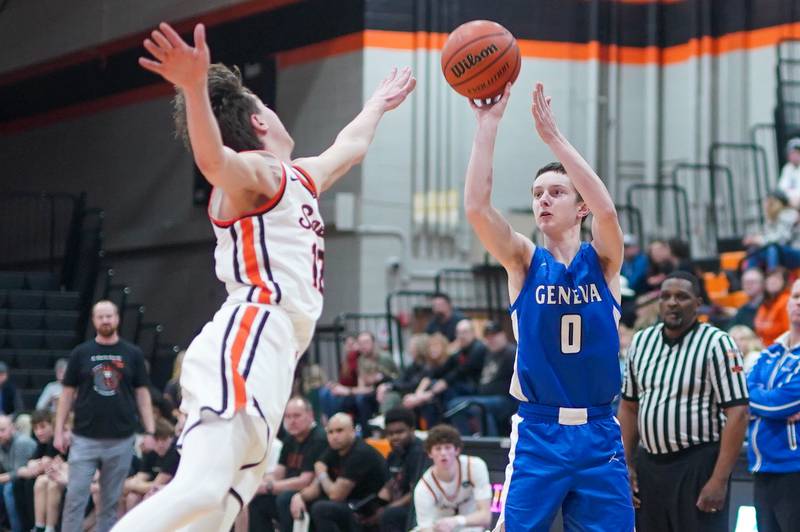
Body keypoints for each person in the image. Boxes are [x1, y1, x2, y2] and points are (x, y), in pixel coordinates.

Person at [112, 22, 414, 532]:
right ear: (258, 121)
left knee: (217, 508)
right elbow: (212, 160)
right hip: (250, 329)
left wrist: (378, 105)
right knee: (202, 490)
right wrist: (192, 87)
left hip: (277, 352)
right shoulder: (256, 173)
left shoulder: (299, 176)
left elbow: (351, 146)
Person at [463, 80, 634, 530]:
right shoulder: (523, 260)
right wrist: (488, 125)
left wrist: (555, 139)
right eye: (538, 193)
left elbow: (609, 215)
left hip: (600, 430)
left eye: (556, 192)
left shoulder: (603, 262)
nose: (543, 199)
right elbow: (478, 209)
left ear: (580, 208)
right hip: (540, 431)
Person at [619, 271, 749, 532]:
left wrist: (719, 479)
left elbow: (738, 413)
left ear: (698, 303)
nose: (672, 303)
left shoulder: (718, 343)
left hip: (698, 464)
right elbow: (629, 407)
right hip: (650, 466)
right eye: (666, 296)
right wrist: (628, 464)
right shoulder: (642, 342)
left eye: (682, 297)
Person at [52, 300, 153, 532]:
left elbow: (143, 394)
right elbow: (67, 395)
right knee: (75, 498)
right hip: (84, 438)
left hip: (121, 439)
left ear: (117, 318)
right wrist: (59, 431)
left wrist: (149, 431)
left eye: (109, 316)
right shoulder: (81, 353)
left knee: (109, 502)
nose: (105, 320)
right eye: (101, 316)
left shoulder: (133, 353)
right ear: (94, 320)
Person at [746, 278, 800, 531]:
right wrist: (763, 399)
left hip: (793, 469)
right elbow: (742, 392)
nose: (799, 303)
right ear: (788, 304)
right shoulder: (770, 352)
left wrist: (760, 400)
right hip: (763, 467)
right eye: (796, 296)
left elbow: (778, 405)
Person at [289, 413, 389, 532]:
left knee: (322, 508)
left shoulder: (360, 453)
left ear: (352, 431)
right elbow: (316, 487)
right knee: (288, 500)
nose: (334, 436)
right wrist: (299, 496)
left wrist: (322, 474)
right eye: (330, 432)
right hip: (349, 503)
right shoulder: (334, 450)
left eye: (339, 431)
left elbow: (336, 495)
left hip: (368, 510)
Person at [248, 396, 327, 532]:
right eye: (288, 417)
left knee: (284, 499)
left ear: (310, 415)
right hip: (290, 489)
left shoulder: (318, 438)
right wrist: (260, 484)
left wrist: (268, 487)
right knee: (258, 501)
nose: (292, 421)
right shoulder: (290, 438)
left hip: (312, 492)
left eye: (296, 416)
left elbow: (304, 481)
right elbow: (279, 473)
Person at [412, 424, 492, 532]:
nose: (443, 453)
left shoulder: (475, 466)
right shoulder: (424, 487)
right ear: (430, 453)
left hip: (471, 527)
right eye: (438, 448)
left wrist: (456, 521)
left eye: (447, 447)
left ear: (457, 450)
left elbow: (486, 517)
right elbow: (425, 528)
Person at [446, 321, 516, 436]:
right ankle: (466, 442)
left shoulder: (512, 353)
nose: (491, 339)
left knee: (478, 407)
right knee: (454, 404)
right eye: (488, 337)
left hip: (505, 400)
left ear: (503, 335)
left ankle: (490, 445)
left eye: (494, 336)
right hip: (485, 397)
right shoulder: (486, 353)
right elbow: (462, 367)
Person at [374, 407, 429, 532]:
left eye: (400, 432)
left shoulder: (419, 453)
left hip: (417, 509)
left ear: (412, 430)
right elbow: (389, 485)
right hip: (400, 505)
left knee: (389, 515)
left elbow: (414, 492)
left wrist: (388, 508)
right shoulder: (393, 454)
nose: (394, 437)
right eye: (390, 433)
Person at [121, 418, 178, 512]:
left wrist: (131, 485)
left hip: (169, 489)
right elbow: (141, 476)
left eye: (145, 437)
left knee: (150, 495)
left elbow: (156, 485)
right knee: (131, 496)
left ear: (160, 439)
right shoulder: (151, 451)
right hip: (152, 487)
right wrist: (128, 485)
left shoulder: (174, 451)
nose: (143, 441)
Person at [0, 415, 36, 532]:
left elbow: (19, 472)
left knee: (9, 488)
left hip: (31, 477)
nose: (0, 434)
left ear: (12, 428)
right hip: (15, 477)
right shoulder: (2, 442)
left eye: (2, 430)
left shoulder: (21, 442)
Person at [755, 268, 791, 346]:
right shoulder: (765, 303)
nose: (772, 280)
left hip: (780, 349)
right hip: (765, 348)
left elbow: (789, 332)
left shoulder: (787, 301)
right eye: (769, 277)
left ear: (784, 282)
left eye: (777, 278)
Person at [778, 137, 800, 208]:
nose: (795, 156)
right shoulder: (787, 168)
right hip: (790, 200)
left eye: (797, 153)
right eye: (792, 153)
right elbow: (782, 188)